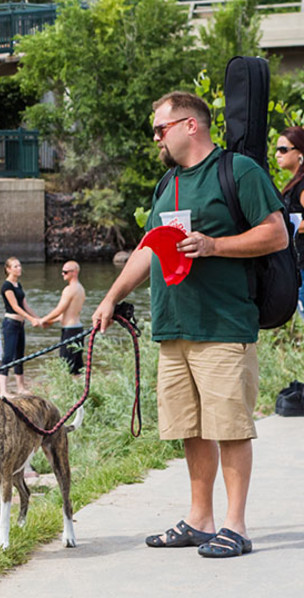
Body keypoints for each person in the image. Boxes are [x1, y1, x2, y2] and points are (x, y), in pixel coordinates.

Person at [92, 91, 286, 559]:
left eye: (160, 128)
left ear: (190, 125)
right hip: (173, 327)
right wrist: (112, 297)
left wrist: (215, 246)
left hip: (223, 325)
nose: (155, 138)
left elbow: (276, 233)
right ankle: (201, 520)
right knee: (191, 427)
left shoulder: (238, 171)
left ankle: (235, 526)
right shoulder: (168, 183)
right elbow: (148, 248)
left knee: (230, 427)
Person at [272, 126, 304, 315]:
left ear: (300, 152)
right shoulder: (296, 183)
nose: (277, 154)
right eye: (277, 149)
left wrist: (290, 226)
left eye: (283, 149)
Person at [0, 257, 41, 396]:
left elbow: (24, 305)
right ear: (8, 269)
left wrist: (38, 318)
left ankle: (20, 387)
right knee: (8, 356)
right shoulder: (7, 286)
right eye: (15, 266)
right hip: (10, 324)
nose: (19, 268)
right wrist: (31, 319)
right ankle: (3, 391)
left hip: (20, 324)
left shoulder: (18, 285)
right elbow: (15, 307)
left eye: (19, 266)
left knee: (19, 356)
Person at [38, 261, 87, 374]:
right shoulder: (81, 289)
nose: (62, 274)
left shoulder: (69, 289)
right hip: (78, 328)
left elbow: (59, 309)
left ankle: (69, 385)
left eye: (65, 272)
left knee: (66, 364)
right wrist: (51, 321)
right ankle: (78, 384)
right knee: (76, 365)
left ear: (74, 272)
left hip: (70, 331)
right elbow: (69, 313)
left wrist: (42, 320)